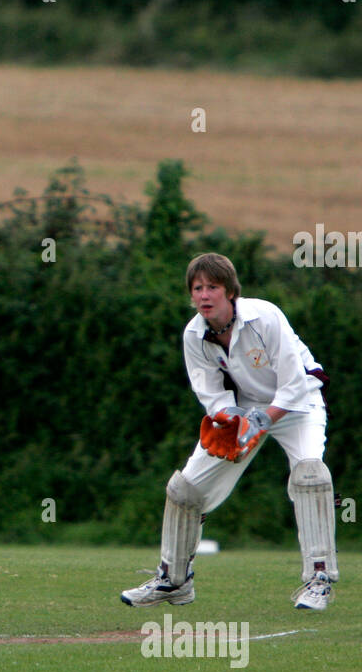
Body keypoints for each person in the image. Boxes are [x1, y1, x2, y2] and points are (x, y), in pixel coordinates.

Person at [121, 252, 339, 611]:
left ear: (230, 291)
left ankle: (319, 579)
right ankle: (174, 581)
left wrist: (266, 417)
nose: (205, 296)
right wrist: (233, 417)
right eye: (197, 288)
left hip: (297, 404)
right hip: (245, 411)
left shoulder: (265, 317)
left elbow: (295, 382)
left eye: (213, 287)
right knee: (184, 488)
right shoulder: (194, 334)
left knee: (310, 474)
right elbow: (210, 392)